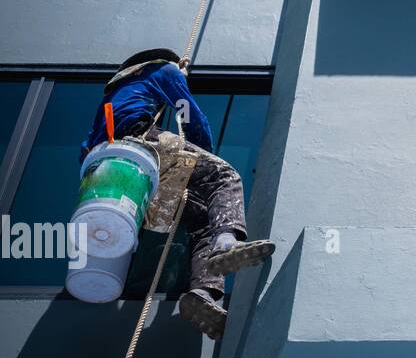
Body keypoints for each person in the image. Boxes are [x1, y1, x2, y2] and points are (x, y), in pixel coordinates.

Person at [80, 48, 274, 339]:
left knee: (202, 219)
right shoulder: (161, 70)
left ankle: (201, 294)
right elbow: (188, 114)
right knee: (223, 176)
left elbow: (85, 151)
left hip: (125, 179)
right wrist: (204, 152)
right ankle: (226, 244)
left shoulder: (111, 98)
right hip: (144, 143)